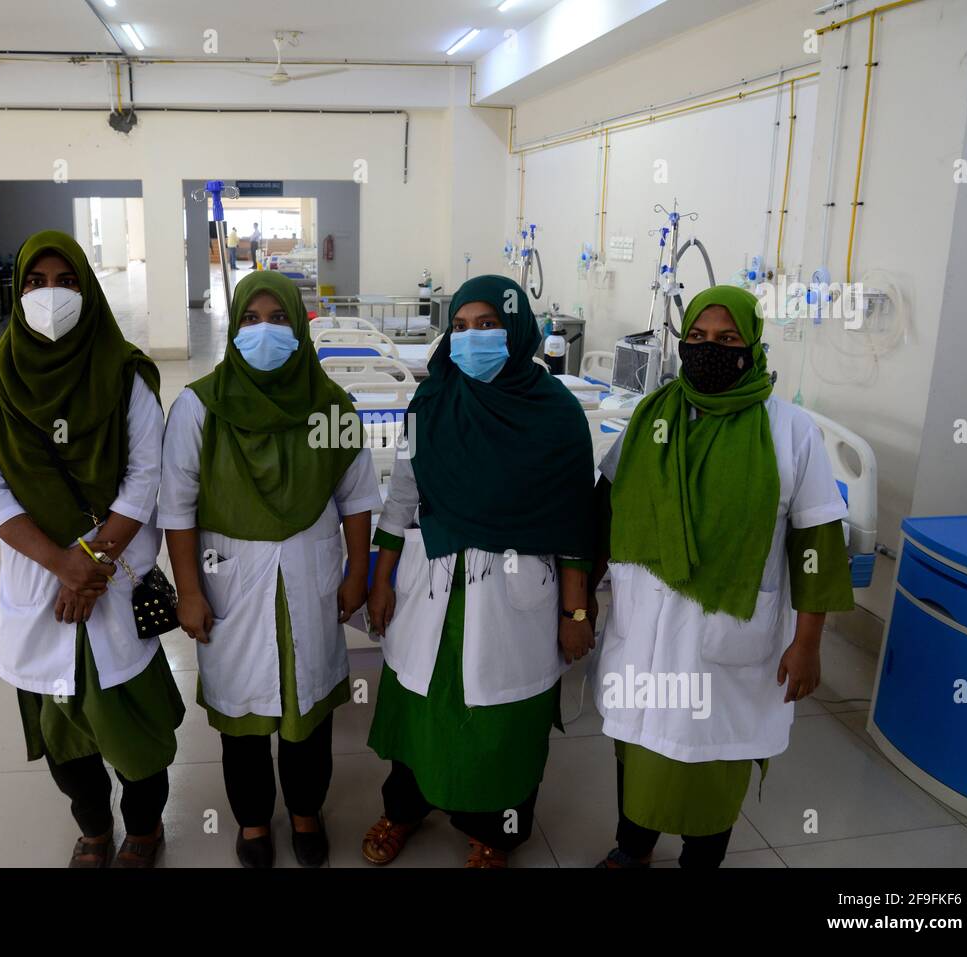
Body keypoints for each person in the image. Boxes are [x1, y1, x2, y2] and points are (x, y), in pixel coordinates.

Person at [588, 285, 855, 868]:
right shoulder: (652, 418)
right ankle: (630, 852)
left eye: (727, 339)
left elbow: (816, 544)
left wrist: (808, 642)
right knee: (636, 748)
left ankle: (700, 861)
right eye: (698, 339)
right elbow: (605, 509)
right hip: (645, 629)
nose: (709, 350)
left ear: (751, 346)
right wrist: (579, 602)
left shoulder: (788, 430)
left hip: (728, 639)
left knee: (712, 759)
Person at [0, 230, 184, 868]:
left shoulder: (125, 376)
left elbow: (146, 478)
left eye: (65, 282)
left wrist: (88, 565)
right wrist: (65, 566)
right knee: (67, 743)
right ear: (17, 293)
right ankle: (93, 829)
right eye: (36, 283)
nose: (50, 295)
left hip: (113, 582)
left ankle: (143, 830)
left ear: (88, 291)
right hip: (43, 588)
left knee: (137, 738)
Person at [362, 275, 596, 868]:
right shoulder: (432, 401)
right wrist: (382, 579)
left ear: (516, 331)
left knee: (503, 722)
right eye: (460, 328)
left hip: (514, 591)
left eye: (488, 325)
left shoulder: (557, 416)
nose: (472, 339)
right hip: (432, 584)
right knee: (420, 710)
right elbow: (401, 500)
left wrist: (575, 612)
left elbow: (574, 523)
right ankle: (403, 811)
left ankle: (495, 832)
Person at [158, 270, 380, 868]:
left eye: (278, 319)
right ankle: (254, 823)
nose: (264, 332)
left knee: (309, 712)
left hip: (310, 572)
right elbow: (176, 507)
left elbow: (357, 495)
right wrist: (188, 591)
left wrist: (357, 572)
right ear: (233, 329)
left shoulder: (330, 405)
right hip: (228, 576)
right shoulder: (198, 408)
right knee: (242, 717)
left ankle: (307, 812)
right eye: (250, 321)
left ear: (298, 327)